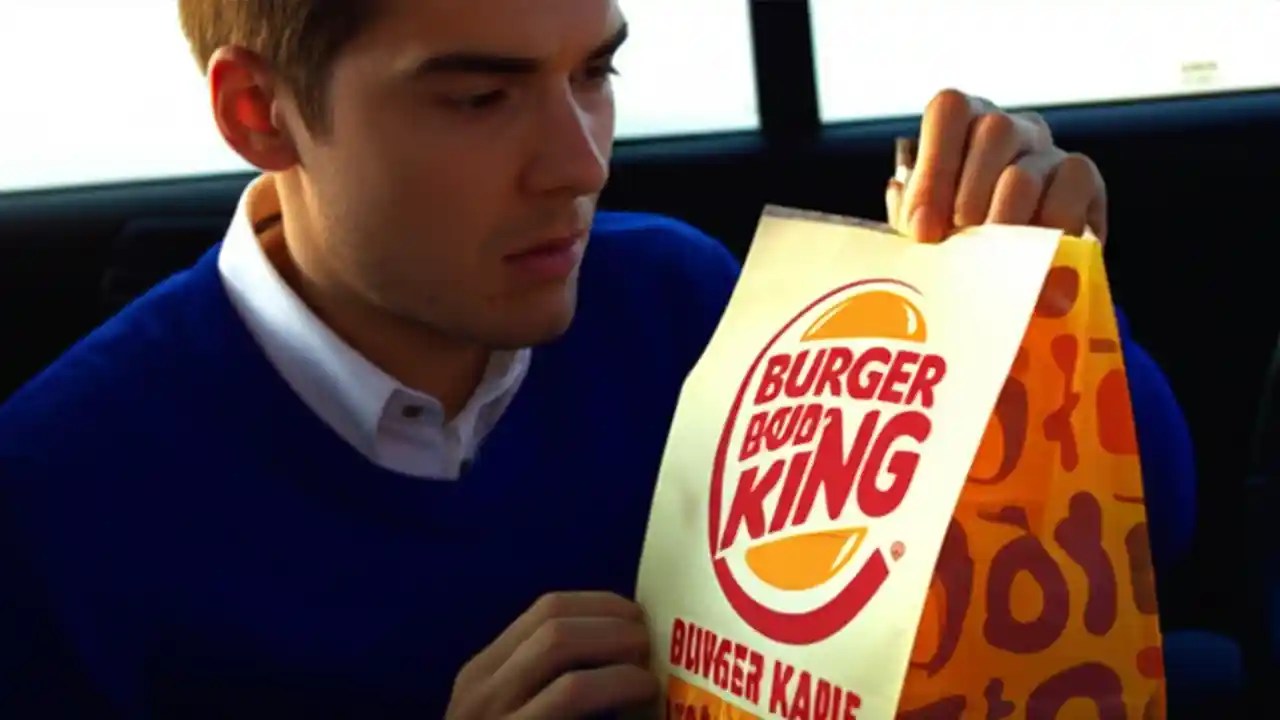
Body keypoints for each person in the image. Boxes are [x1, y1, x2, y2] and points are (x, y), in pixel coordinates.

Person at [0, 0, 1195, 718]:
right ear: (258, 111)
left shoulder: (672, 300)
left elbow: (1143, 561)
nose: (579, 163)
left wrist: (1028, 318)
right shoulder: (54, 501)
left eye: (593, 73)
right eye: (480, 98)